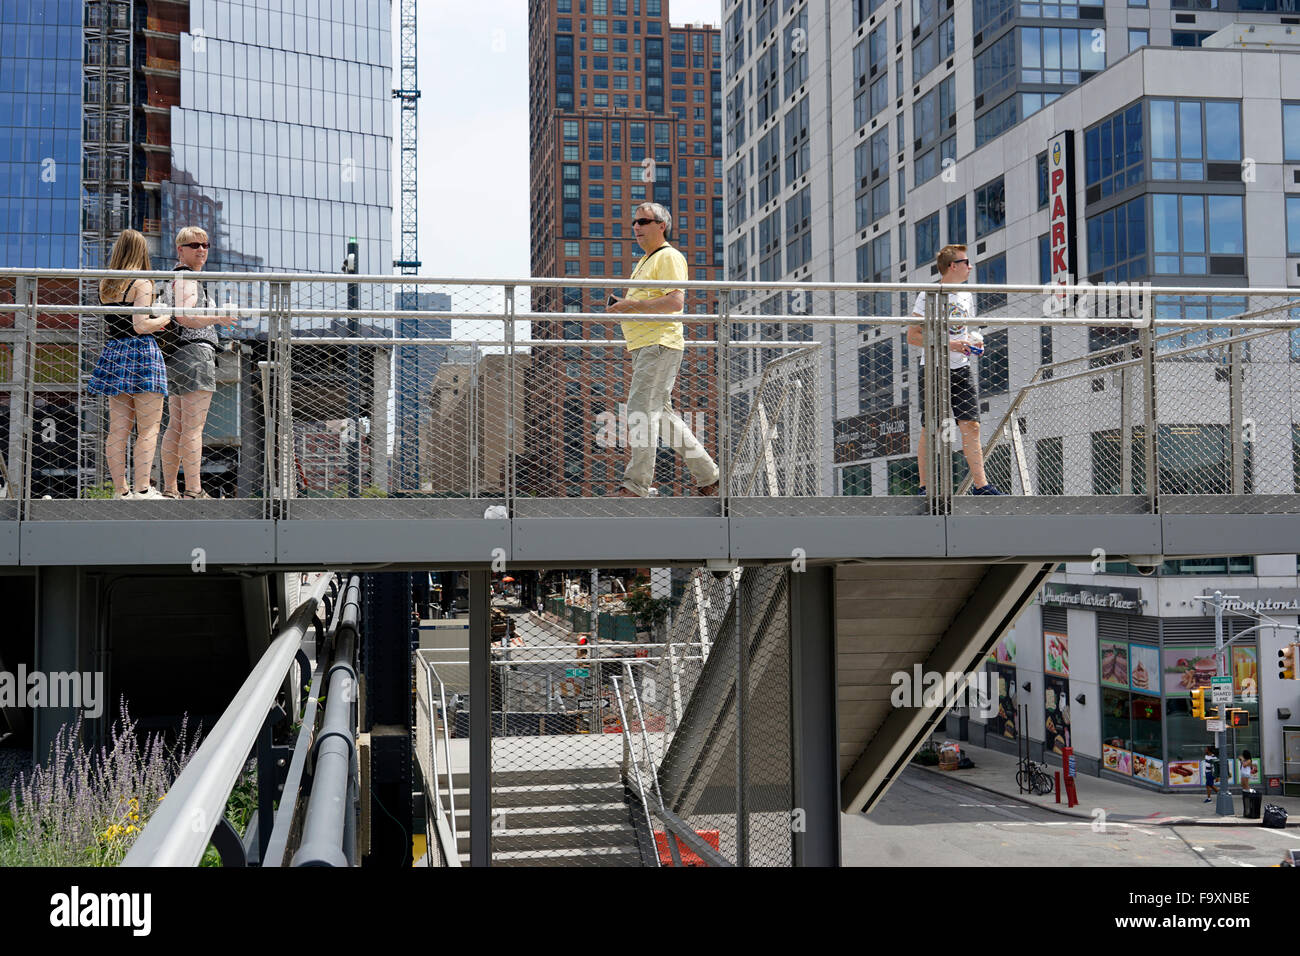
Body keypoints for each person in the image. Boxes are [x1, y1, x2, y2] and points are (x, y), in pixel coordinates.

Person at [607, 202, 720, 498]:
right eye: (634, 222)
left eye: (644, 221)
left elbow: (674, 302)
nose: (637, 227)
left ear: (662, 226)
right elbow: (651, 302)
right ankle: (709, 477)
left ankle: (637, 485)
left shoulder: (668, 256)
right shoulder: (645, 260)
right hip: (647, 346)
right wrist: (625, 306)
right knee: (662, 414)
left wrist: (631, 305)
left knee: (640, 410)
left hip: (659, 344)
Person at [906, 244, 1003, 495]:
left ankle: (981, 486)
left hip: (962, 368)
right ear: (952, 266)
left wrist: (974, 340)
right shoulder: (928, 295)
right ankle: (925, 487)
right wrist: (950, 344)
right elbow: (913, 336)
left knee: (971, 425)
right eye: (966, 262)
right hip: (934, 370)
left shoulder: (966, 296)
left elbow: (964, 330)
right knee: (933, 427)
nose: (970, 267)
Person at [86, 229, 171, 499]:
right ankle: (142, 488)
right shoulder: (143, 283)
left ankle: (120, 490)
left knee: (118, 428)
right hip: (142, 353)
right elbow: (141, 325)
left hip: (114, 353)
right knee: (148, 427)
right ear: (142, 250)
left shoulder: (106, 284)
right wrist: (165, 318)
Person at [159, 226, 238, 498]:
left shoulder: (171, 278)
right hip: (195, 354)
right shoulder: (188, 279)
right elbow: (185, 317)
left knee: (176, 426)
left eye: (205, 244)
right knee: (193, 429)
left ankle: (170, 489)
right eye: (194, 245)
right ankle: (193, 489)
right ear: (180, 249)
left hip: (175, 355)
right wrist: (218, 317)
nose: (201, 249)